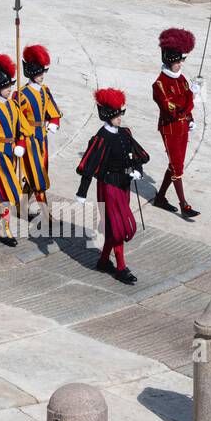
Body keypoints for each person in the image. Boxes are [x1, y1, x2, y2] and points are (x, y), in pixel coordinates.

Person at [74, 88, 149, 283]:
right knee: (118, 226)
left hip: (123, 186)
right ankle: (121, 268)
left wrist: (137, 171)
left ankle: (104, 260)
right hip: (108, 187)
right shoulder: (102, 137)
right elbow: (89, 166)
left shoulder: (125, 133)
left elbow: (137, 155)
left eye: (120, 114)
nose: (119, 118)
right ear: (107, 116)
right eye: (116, 115)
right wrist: (82, 193)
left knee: (113, 225)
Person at [0, 54, 34, 246]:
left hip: (11, 152)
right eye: (6, 86)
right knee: (11, 192)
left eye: (10, 85)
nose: (10, 90)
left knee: (2, 192)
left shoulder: (13, 105)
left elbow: (24, 129)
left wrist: (21, 145)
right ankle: (4, 228)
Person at [151, 26, 201, 218]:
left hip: (183, 127)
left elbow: (186, 109)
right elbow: (172, 109)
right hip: (170, 128)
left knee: (175, 165)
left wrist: (190, 119)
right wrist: (191, 96)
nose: (181, 64)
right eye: (179, 61)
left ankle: (160, 197)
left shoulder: (182, 79)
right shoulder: (159, 85)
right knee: (178, 167)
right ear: (170, 60)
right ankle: (184, 204)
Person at [17, 44, 62, 214]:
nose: (42, 76)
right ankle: (45, 212)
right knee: (38, 176)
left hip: (42, 137)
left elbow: (53, 112)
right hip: (29, 140)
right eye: (38, 73)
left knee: (36, 172)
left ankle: (21, 205)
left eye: (43, 72)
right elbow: (17, 119)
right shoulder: (21, 95)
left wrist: (53, 122)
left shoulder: (44, 91)